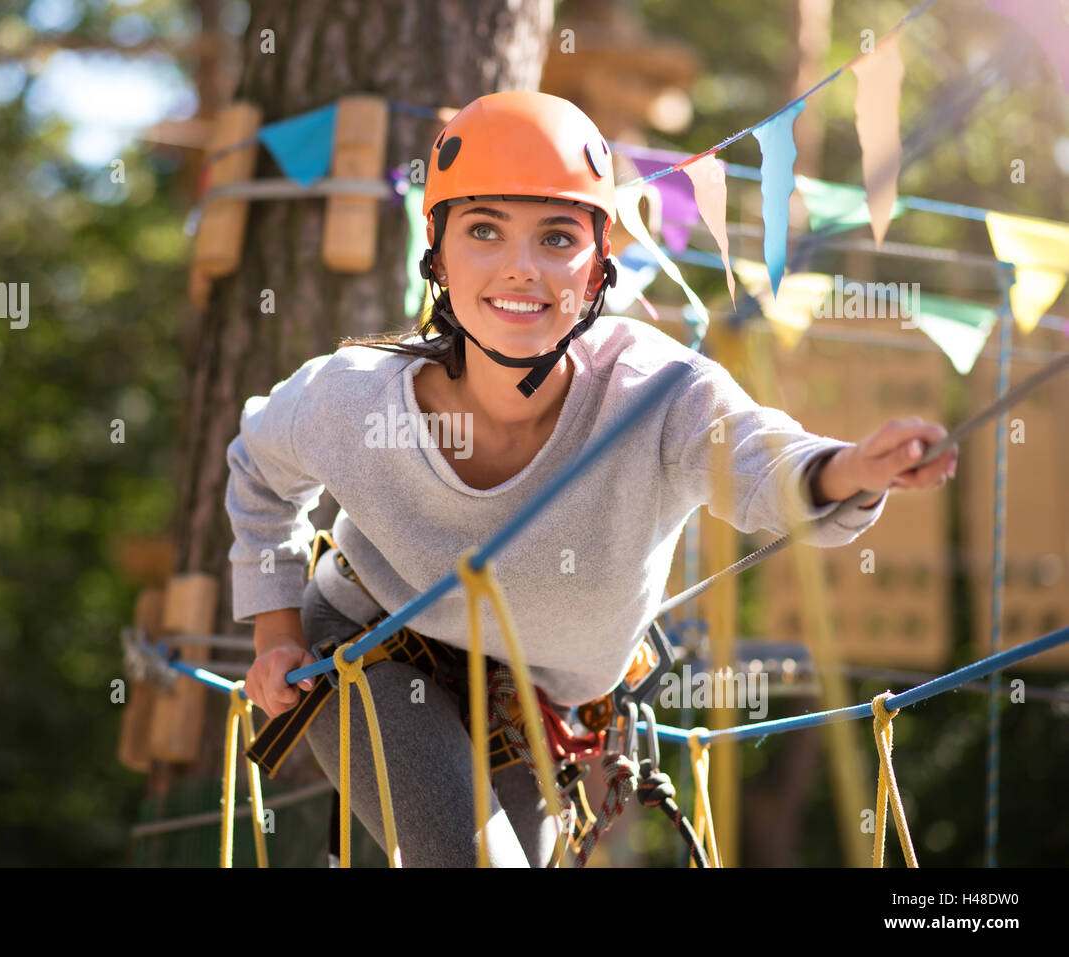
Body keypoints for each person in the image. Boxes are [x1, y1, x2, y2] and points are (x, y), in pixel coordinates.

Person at [226, 91, 958, 867]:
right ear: (436, 256)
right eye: (483, 231)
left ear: (600, 263)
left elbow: (758, 458)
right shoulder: (353, 397)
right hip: (369, 650)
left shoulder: (655, 395)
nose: (521, 267)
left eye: (557, 236)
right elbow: (259, 469)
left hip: (536, 707)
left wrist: (844, 468)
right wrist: (276, 631)